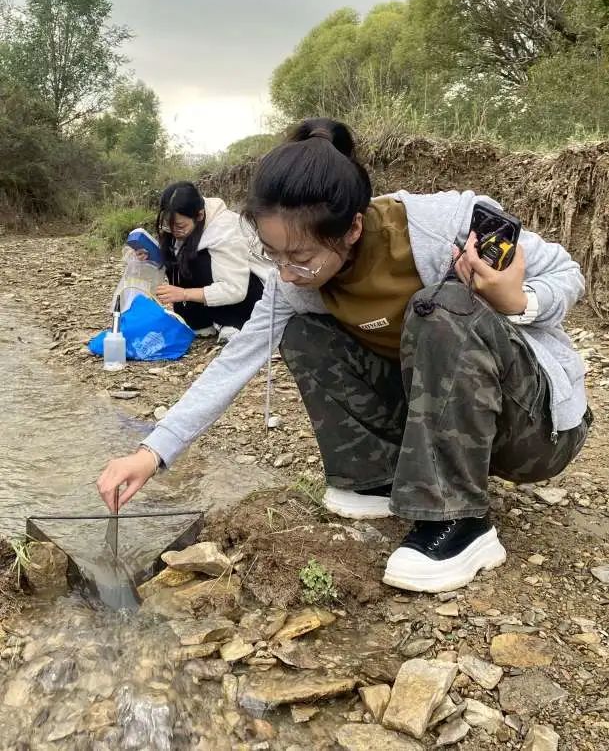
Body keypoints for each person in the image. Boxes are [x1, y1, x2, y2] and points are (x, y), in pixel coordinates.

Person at [97, 119, 592, 594]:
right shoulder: (293, 286)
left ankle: (460, 521)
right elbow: (234, 362)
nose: (287, 273)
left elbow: (568, 274)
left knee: (440, 307)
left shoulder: (442, 229)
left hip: (534, 429)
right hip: (442, 421)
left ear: (352, 229)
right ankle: (374, 477)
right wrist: (151, 453)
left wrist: (517, 301)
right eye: (273, 255)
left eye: (302, 257)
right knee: (302, 332)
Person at [151, 181, 266, 343]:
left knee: (199, 259)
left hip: (252, 296)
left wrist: (184, 294)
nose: (174, 231)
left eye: (180, 226)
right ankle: (202, 321)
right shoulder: (185, 224)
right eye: (169, 225)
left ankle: (234, 322)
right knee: (174, 250)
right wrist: (150, 253)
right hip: (224, 293)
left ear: (199, 215)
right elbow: (173, 252)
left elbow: (235, 290)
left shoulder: (226, 231)